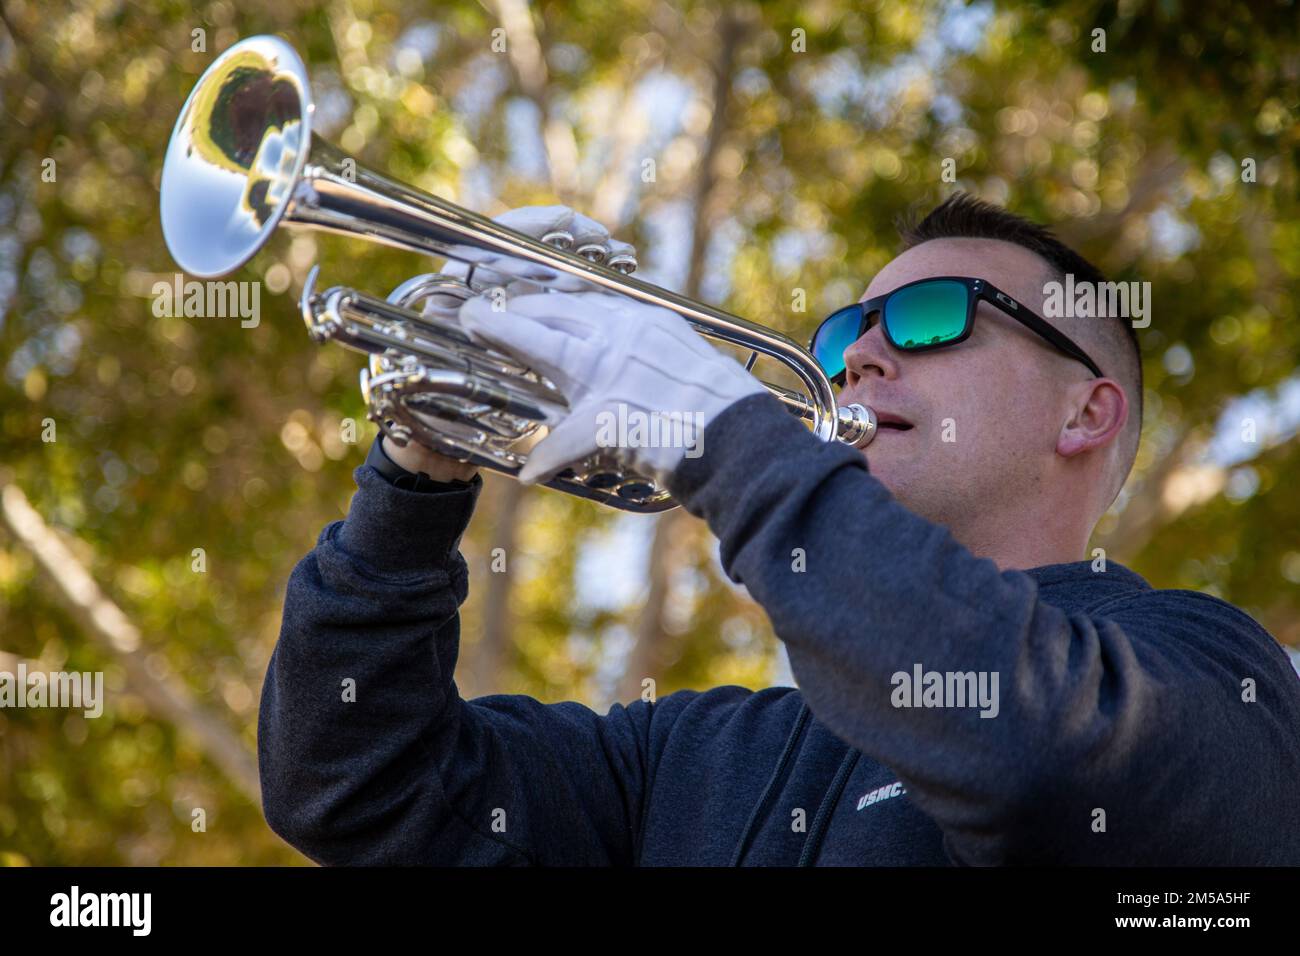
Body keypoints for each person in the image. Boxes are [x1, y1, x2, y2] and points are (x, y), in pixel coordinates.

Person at [258, 194, 1300, 865]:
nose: (861, 357)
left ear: (1085, 412)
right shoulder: (686, 755)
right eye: (847, 329)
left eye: (934, 315)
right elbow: (355, 787)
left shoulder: (1211, 666)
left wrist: (723, 436)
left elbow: (1039, 757)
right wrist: (418, 468)